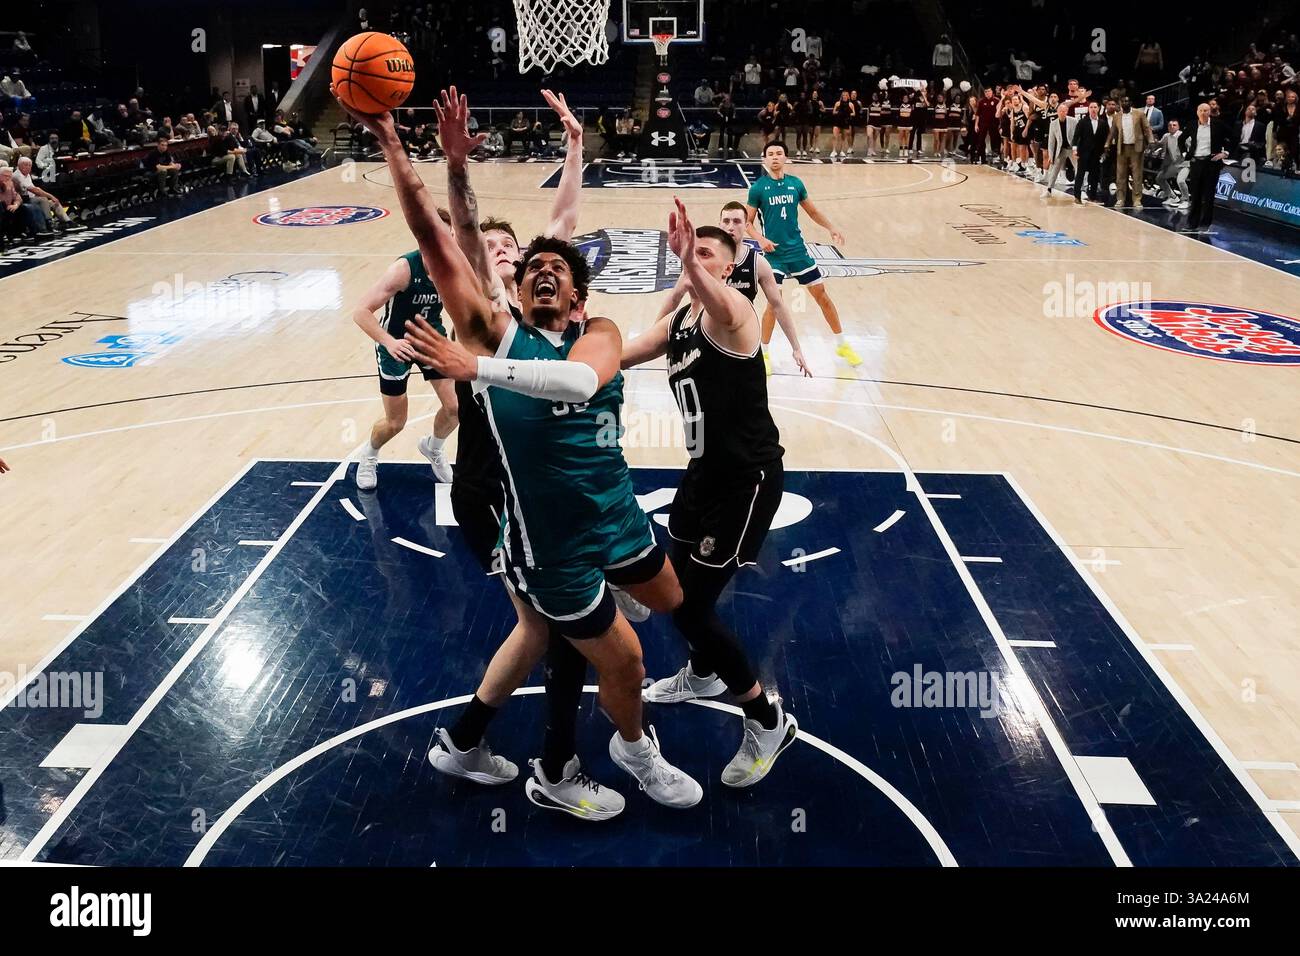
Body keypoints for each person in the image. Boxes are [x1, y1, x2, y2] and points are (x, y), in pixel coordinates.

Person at [349, 85, 701, 813]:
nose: (537, 265)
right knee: (608, 655)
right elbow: (443, 238)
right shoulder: (491, 329)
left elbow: (575, 381)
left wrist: (473, 367)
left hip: (615, 510)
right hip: (541, 531)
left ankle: (518, 722)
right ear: (512, 282)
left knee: (668, 598)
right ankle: (614, 752)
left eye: (556, 267)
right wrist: (397, 147)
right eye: (526, 262)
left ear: (576, 296)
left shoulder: (593, 331)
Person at [619, 199, 800, 787]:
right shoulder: (680, 323)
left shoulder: (736, 311)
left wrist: (689, 266)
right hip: (700, 474)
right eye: (690, 251)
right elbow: (617, 356)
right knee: (671, 584)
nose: (694, 260)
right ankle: (701, 674)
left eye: (706, 255)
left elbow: (719, 296)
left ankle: (767, 719)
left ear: (727, 267)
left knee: (691, 606)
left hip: (745, 479)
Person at [746, 140, 860, 371]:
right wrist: (761, 239)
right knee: (773, 304)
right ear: (765, 159)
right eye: (771, 154)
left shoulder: (796, 184)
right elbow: (747, 222)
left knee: (823, 297)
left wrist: (831, 227)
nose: (775, 157)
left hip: (798, 251)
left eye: (779, 153)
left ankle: (841, 344)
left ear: (786, 158)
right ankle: (764, 354)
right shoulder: (758, 188)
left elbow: (813, 211)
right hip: (773, 255)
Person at [1179, 101, 1230, 231]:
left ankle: (1205, 224)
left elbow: (1234, 137)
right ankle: (1192, 223)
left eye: (1206, 110)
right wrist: (1186, 153)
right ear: (1197, 112)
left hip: (1212, 163)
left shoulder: (1218, 125)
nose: (1203, 113)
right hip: (1196, 163)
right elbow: (1180, 139)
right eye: (1201, 110)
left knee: (1208, 195)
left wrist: (1225, 153)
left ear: (1210, 112)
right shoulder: (1191, 125)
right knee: (1195, 194)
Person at [1105, 96, 1154, 208]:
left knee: (1137, 175)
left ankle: (1137, 199)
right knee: (1120, 175)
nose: (1125, 102)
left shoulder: (1139, 113)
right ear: (1120, 103)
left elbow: (1147, 128)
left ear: (1130, 102)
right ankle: (1120, 199)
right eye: (1123, 101)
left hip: (1136, 148)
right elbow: (1112, 131)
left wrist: (1151, 140)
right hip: (1121, 148)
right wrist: (1107, 143)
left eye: (1127, 101)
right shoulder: (1117, 116)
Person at [1071, 100, 1108, 204]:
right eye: (1091, 107)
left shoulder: (1103, 123)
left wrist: (1104, 152)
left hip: (1096, 154)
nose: (1093, 109)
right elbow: (1076, 137)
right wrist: (1074, 150)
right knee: (1080, 174)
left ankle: (1093, 196)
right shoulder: (1082, 122)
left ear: (1099, 109)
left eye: (1095, 107)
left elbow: (1105, 138)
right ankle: (1077, 196)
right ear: (1088, 109)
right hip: (1083, 152)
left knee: (1095, 175)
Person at [1155, 119, 1188, 208]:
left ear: (1178, 127)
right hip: (1174, 164)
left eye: (1174, 125)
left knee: (1180, 181)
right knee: (1159, 178)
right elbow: (1159, 143)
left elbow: (1191, 147)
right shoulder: (1166, 136)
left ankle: (1186, 200)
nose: (1172, 127)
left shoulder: (1183, 135)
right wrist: (1153, 140)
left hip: (1185, 164)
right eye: (1170, 125)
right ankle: (1173, 197)